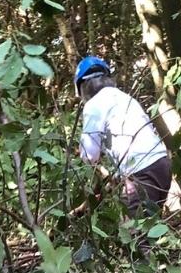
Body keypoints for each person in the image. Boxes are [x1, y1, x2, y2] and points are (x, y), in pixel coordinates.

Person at [74, 56, 173, 217]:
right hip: (161, 163)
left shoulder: (93, 105)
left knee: (137, 235)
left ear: (83, 87)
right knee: (151, 228)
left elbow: (90, 155)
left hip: (141, 171)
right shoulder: (124, 97)